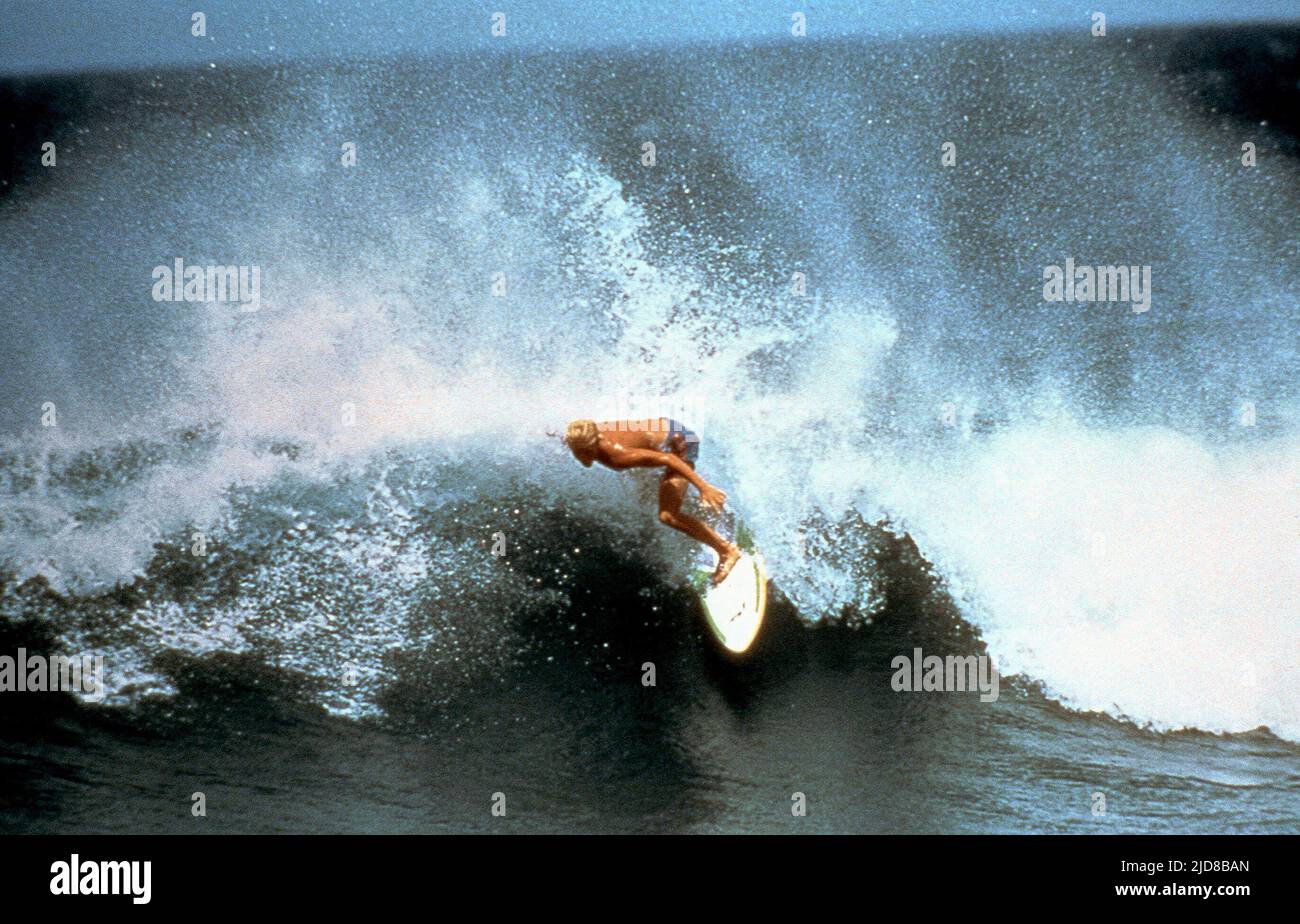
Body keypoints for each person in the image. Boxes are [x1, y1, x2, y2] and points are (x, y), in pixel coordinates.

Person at [561, 417, 742, 584]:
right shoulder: (588, 431)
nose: (577, 456)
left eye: (580, 452)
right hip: (666, 427)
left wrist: (704, 487)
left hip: (682, 444)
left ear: (591, 446)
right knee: (649, 494)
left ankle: (727, 551)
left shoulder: (618, 456)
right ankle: (703, 513)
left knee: (667, 515)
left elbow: (669, 459)